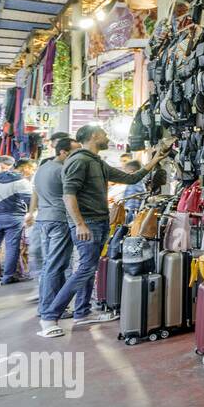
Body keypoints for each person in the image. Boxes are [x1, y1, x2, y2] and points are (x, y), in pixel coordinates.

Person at [38, 125, 169, 337]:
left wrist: (155, 160)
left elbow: (132, 178)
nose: (107, 137)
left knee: (88, 268)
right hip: (87, 223)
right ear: (94, 136)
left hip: (97, 222)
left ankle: (82, 312)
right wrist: (79, 223)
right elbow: (68, 195)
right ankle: (49, 317)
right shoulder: (79, 161)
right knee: (85, 269)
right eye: (105, 134)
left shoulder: (96, 161)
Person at [28, 136, 76, 321]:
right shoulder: (62, 170)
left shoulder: (43, 168)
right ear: (63, 152)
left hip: (44, 220)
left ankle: (46, 306)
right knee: (56, 266)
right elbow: (70, 197)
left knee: (50, 265)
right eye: (74, 152)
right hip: (59, 220)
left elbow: (36, 193)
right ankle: (52, 308)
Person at [0, 158, 35, 287]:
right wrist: (30, 212)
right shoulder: (21, 181)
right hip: (14, 217)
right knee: (12, 247)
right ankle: (7, 277)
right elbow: (29, 199)